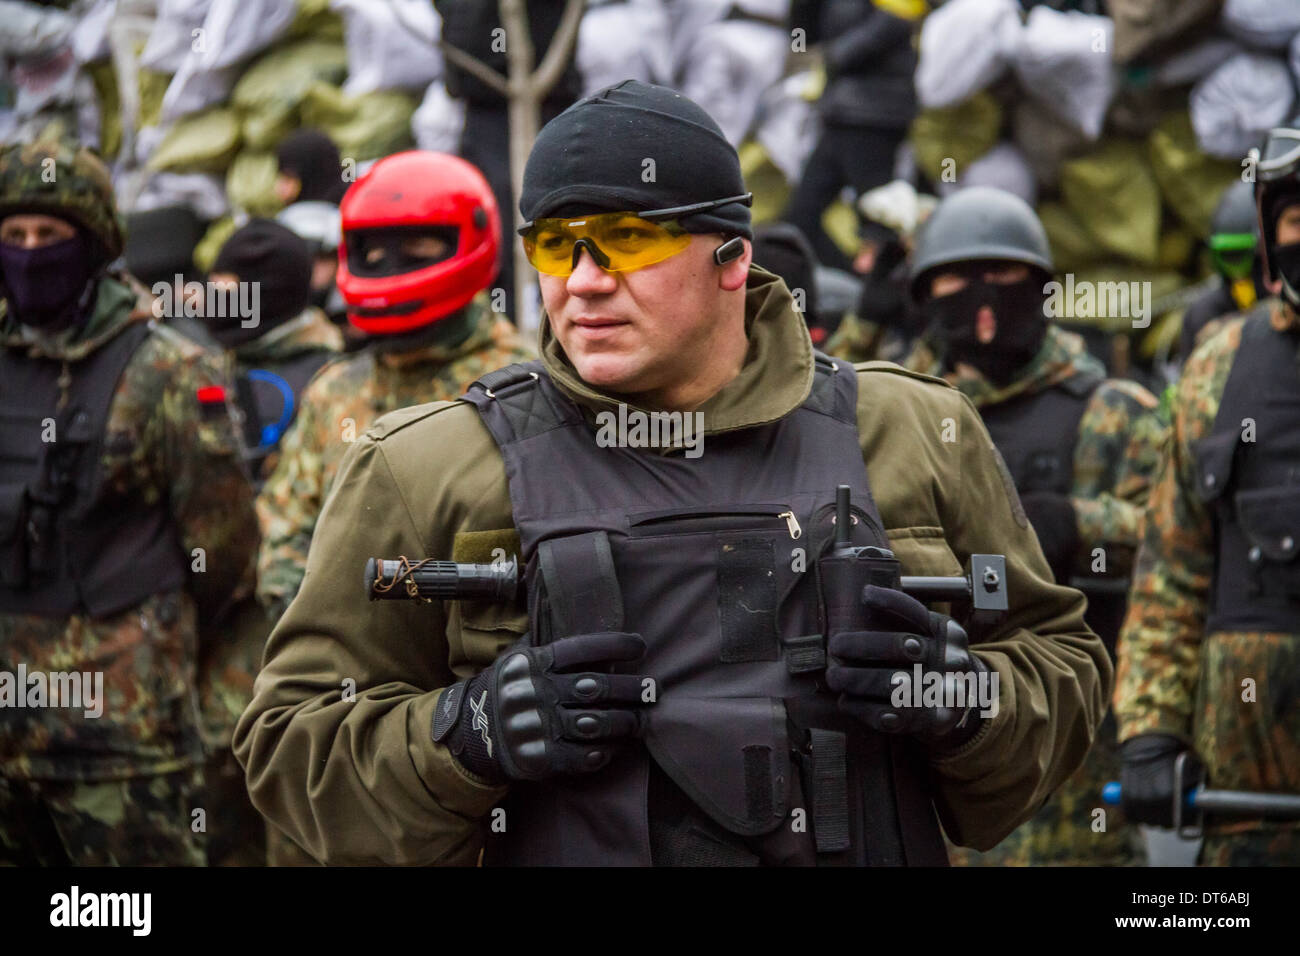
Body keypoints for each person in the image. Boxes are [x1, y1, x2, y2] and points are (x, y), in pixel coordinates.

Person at [235, 81, 1110, 867]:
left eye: (626, 239)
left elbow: (1063, 670)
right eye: (555, 247)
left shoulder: (916, 430)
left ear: (732, 257)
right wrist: (464, 735)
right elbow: (287, 746)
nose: (584, 283)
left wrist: (961, 700)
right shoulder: (425, 464)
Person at [0, 137, 258, 865]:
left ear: (95, 244)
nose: (28, 251)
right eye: (12, 235)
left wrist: (154, 646)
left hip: (121, 743)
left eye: (49, 235)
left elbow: (226, 551)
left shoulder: (171, 369)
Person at [901, 186, 1165, 866]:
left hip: (1068, 742)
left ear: (1040, 288)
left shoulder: (1111, 408)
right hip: (929, 737)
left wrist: (1079, 522)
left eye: (1004, 275)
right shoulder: (905, 417)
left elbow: (1179, 544)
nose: (981, 299)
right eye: (956, 279)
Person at [1115, 128, 1300, 866]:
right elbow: (1170, 573)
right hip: (1246, 811)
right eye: (1295, 219)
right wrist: (1151, 734)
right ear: (1270, 232)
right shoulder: (1218, 366)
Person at [782, 0, 920, 269]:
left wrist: (836, 56)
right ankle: (851, 285)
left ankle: (881, 297)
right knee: (801, 217)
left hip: (874, 118)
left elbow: (898, 21)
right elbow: (802, 35)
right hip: (839, 114)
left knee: (881, 224)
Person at [1179, 179, 1269, 362]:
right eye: (1230, 255)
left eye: (1241, 255)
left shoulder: (1288, 310)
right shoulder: (1204, 314)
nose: (1238, 272)